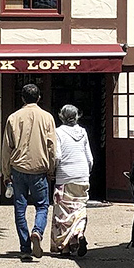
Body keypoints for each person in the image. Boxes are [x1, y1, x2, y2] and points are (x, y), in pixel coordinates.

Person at [2, 83, 56, 261]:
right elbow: (52, 147)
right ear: (39, 98)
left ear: (22, 98)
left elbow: (6, 148)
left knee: (20, 208)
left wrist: (6, 173)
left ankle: (25, 248)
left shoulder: (13, 118)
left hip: (18, 168)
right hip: (39, 169)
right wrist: (51, 169)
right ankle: (37, 231)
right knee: (42, 205)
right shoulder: (47, 117)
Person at [51, 104, 93, 257]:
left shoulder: (58, 132)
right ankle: (79, 233)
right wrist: (87, 171)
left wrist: (52, 170)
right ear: (76, 116)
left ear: (61, 116)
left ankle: (65, 247)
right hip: (82, 174)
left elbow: (57, 156)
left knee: (63, 212)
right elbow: (89, 158)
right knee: (79, 208)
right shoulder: (83, 132)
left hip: (65, 175)